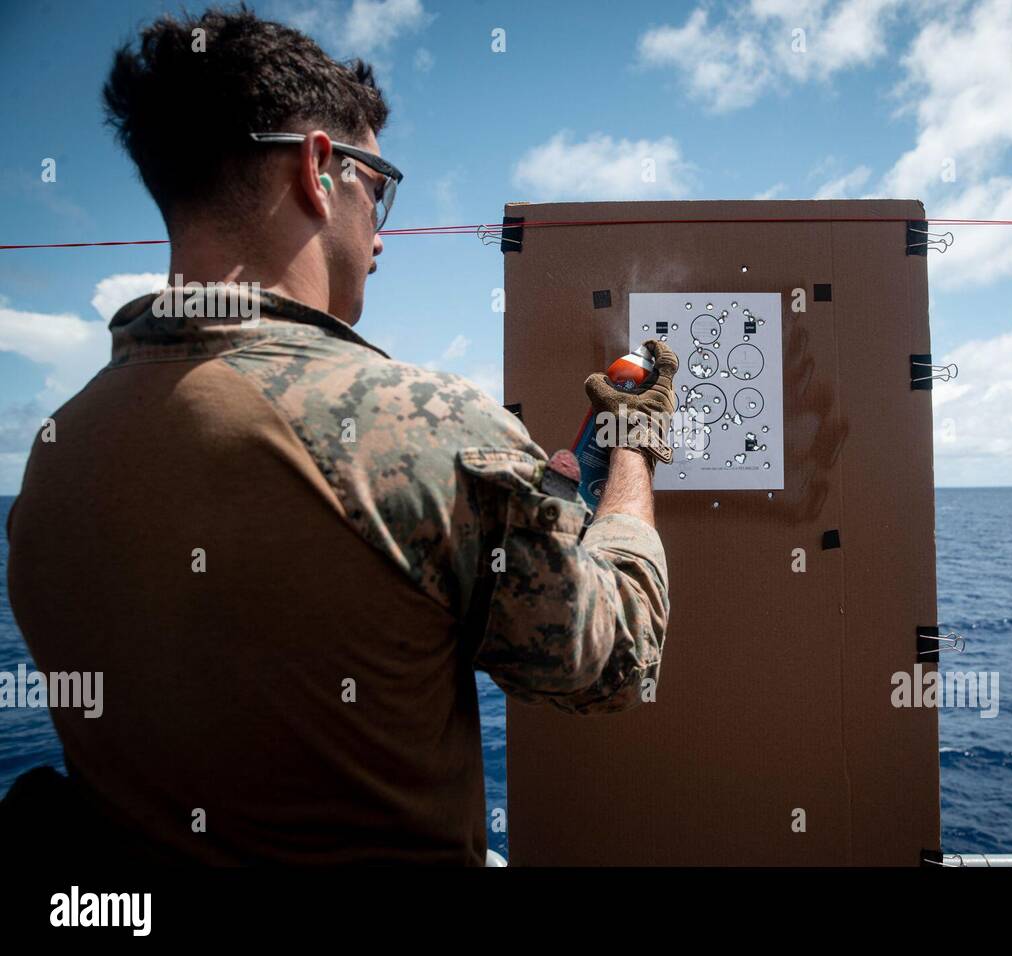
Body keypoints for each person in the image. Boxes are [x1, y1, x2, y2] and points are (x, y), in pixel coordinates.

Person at [3, 5, 675, 865]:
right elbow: (614, 659)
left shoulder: (59, 453)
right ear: (322, 169)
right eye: (379, 185)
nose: (383, 234)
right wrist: (635, 448)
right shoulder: (424, 427)